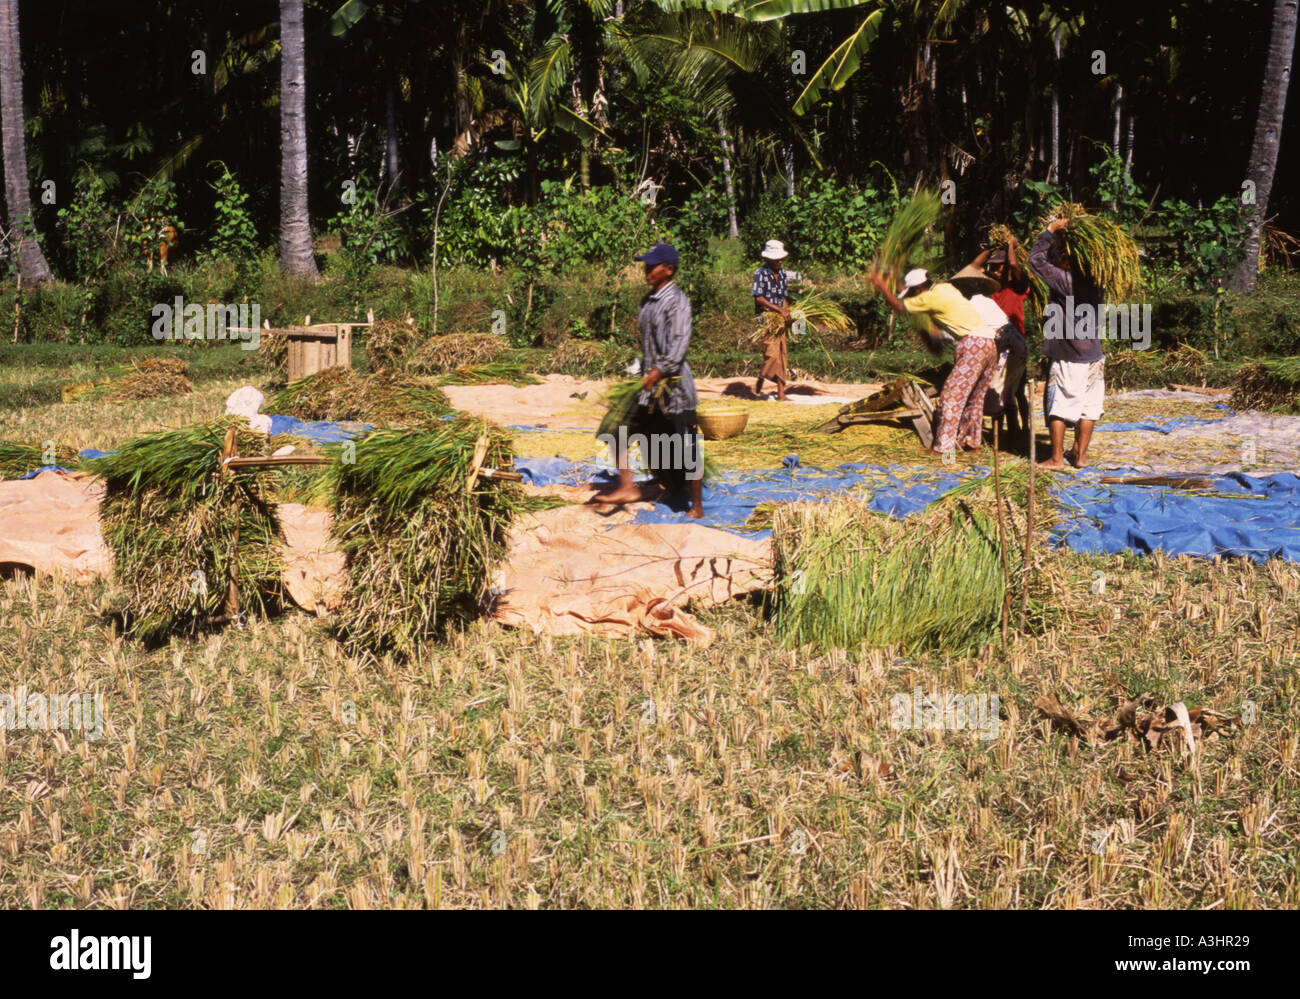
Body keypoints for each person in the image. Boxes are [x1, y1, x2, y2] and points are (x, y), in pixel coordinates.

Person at [597, 242, 704, 518]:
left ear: (668, 269)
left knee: (686, 445)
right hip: (648, 387)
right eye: (645, 264)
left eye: (652, 265)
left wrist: (658, 372)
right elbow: (648, 345)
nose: (646, 269)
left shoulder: (677, 302)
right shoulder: (647, 302)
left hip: (675, 388)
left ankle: (697, 506)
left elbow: (678, 348)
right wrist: (641, 369)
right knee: (616, 426)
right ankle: (628, 486)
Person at [869, 268, 1002, 456]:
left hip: (972, 344)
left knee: (951, 395)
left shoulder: (929, 298)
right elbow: (915, 297)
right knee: (975, 397)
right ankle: (972, 442)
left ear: (918, 289)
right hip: (990, 343)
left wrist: (881, 284)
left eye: (913, 292)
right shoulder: (946, 288)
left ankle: (943, 449)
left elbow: (899, 306)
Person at [1027, 217, 1105, 469]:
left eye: (1062, 257)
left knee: (1058, 404)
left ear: (1070, 261)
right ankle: (1080, 456)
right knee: (1088, 407)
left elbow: (1036, 261)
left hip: (1070, 355)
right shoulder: (1098, 283)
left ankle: (1057, 458)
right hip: (1094, 355)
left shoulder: (1066, 281)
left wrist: (1050, 231)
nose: (1058, 260)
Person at [971, 237, 1031, 440]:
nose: (997, 272)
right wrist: (989, 248)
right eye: (994, 268)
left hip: (1016, 346)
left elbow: (1014, 264)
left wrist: (1011, 245)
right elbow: (974, 268)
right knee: (999, 389)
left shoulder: (1019, 286)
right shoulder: (991, 288)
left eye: (1000, 268)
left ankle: (1025, 428)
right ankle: (1009, 432)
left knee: (1018, 391)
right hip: (996, 344)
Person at [752, 239, 793, 401]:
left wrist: (788, 312)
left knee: (782, 353)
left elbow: (783, 297)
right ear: (768, 258)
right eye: (777, 258)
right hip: (766, 319)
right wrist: (778, 310)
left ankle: (781, 393)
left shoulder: (782, 274)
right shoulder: (760, 273)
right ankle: (761, 379)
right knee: (771, 354)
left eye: (781, 258)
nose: (780, 261)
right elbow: (759, 299)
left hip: (780, 319)